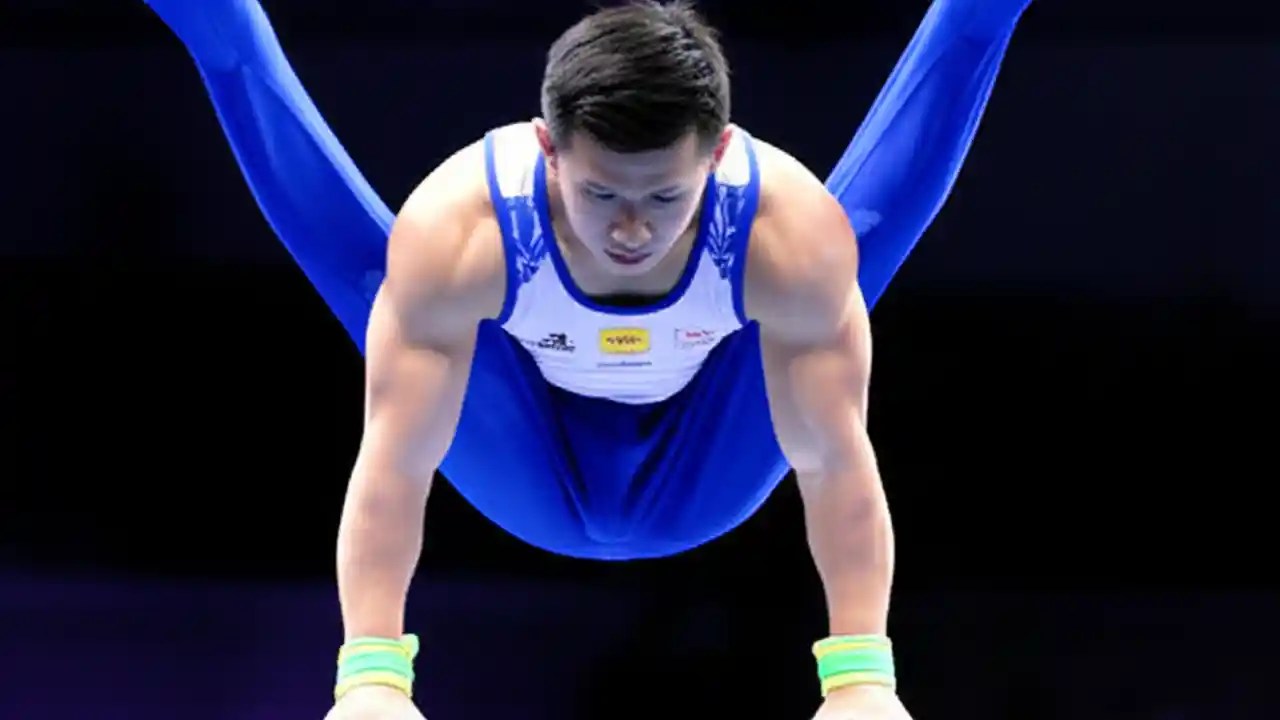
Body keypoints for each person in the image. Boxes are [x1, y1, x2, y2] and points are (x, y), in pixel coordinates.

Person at [141, 0, 1034, 717]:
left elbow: (833, 460)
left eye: (665, 194)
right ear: (547, 147)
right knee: (385, 275)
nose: (633, 226)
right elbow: (396, 459)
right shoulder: (468, 229)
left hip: (706, 472)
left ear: (718, 155)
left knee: (842, 255)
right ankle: (219, 21)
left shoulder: (778, 233)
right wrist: (371, 675)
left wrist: (860, 678)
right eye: (600, 190)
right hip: (527, 464)